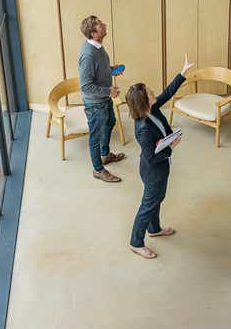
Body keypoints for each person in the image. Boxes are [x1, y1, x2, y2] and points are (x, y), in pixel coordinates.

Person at [125, 54, 195, 259]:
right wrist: (171, 146)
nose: (153, 91)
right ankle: (135, 242)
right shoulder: (143, 129)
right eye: (149, 92)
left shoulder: (151, 108)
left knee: (158, 198)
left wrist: (182, 74)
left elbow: (166, 93)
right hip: (154, 170)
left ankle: (154, 229)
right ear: (143, 101)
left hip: (160, 169)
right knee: (148, 205)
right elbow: (152, 156)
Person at [78, 15, 125, 183]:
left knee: (111, 121)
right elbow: (85, 86)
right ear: (93, 33)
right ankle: (98, 169)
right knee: (95, 136)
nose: (104, 25)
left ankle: (105, 155)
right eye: (100, 25)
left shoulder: (98, 47)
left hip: (103, 99)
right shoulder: (88, 55)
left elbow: (99, 69)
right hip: (95, 103)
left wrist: (111, 70)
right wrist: (108, 91)